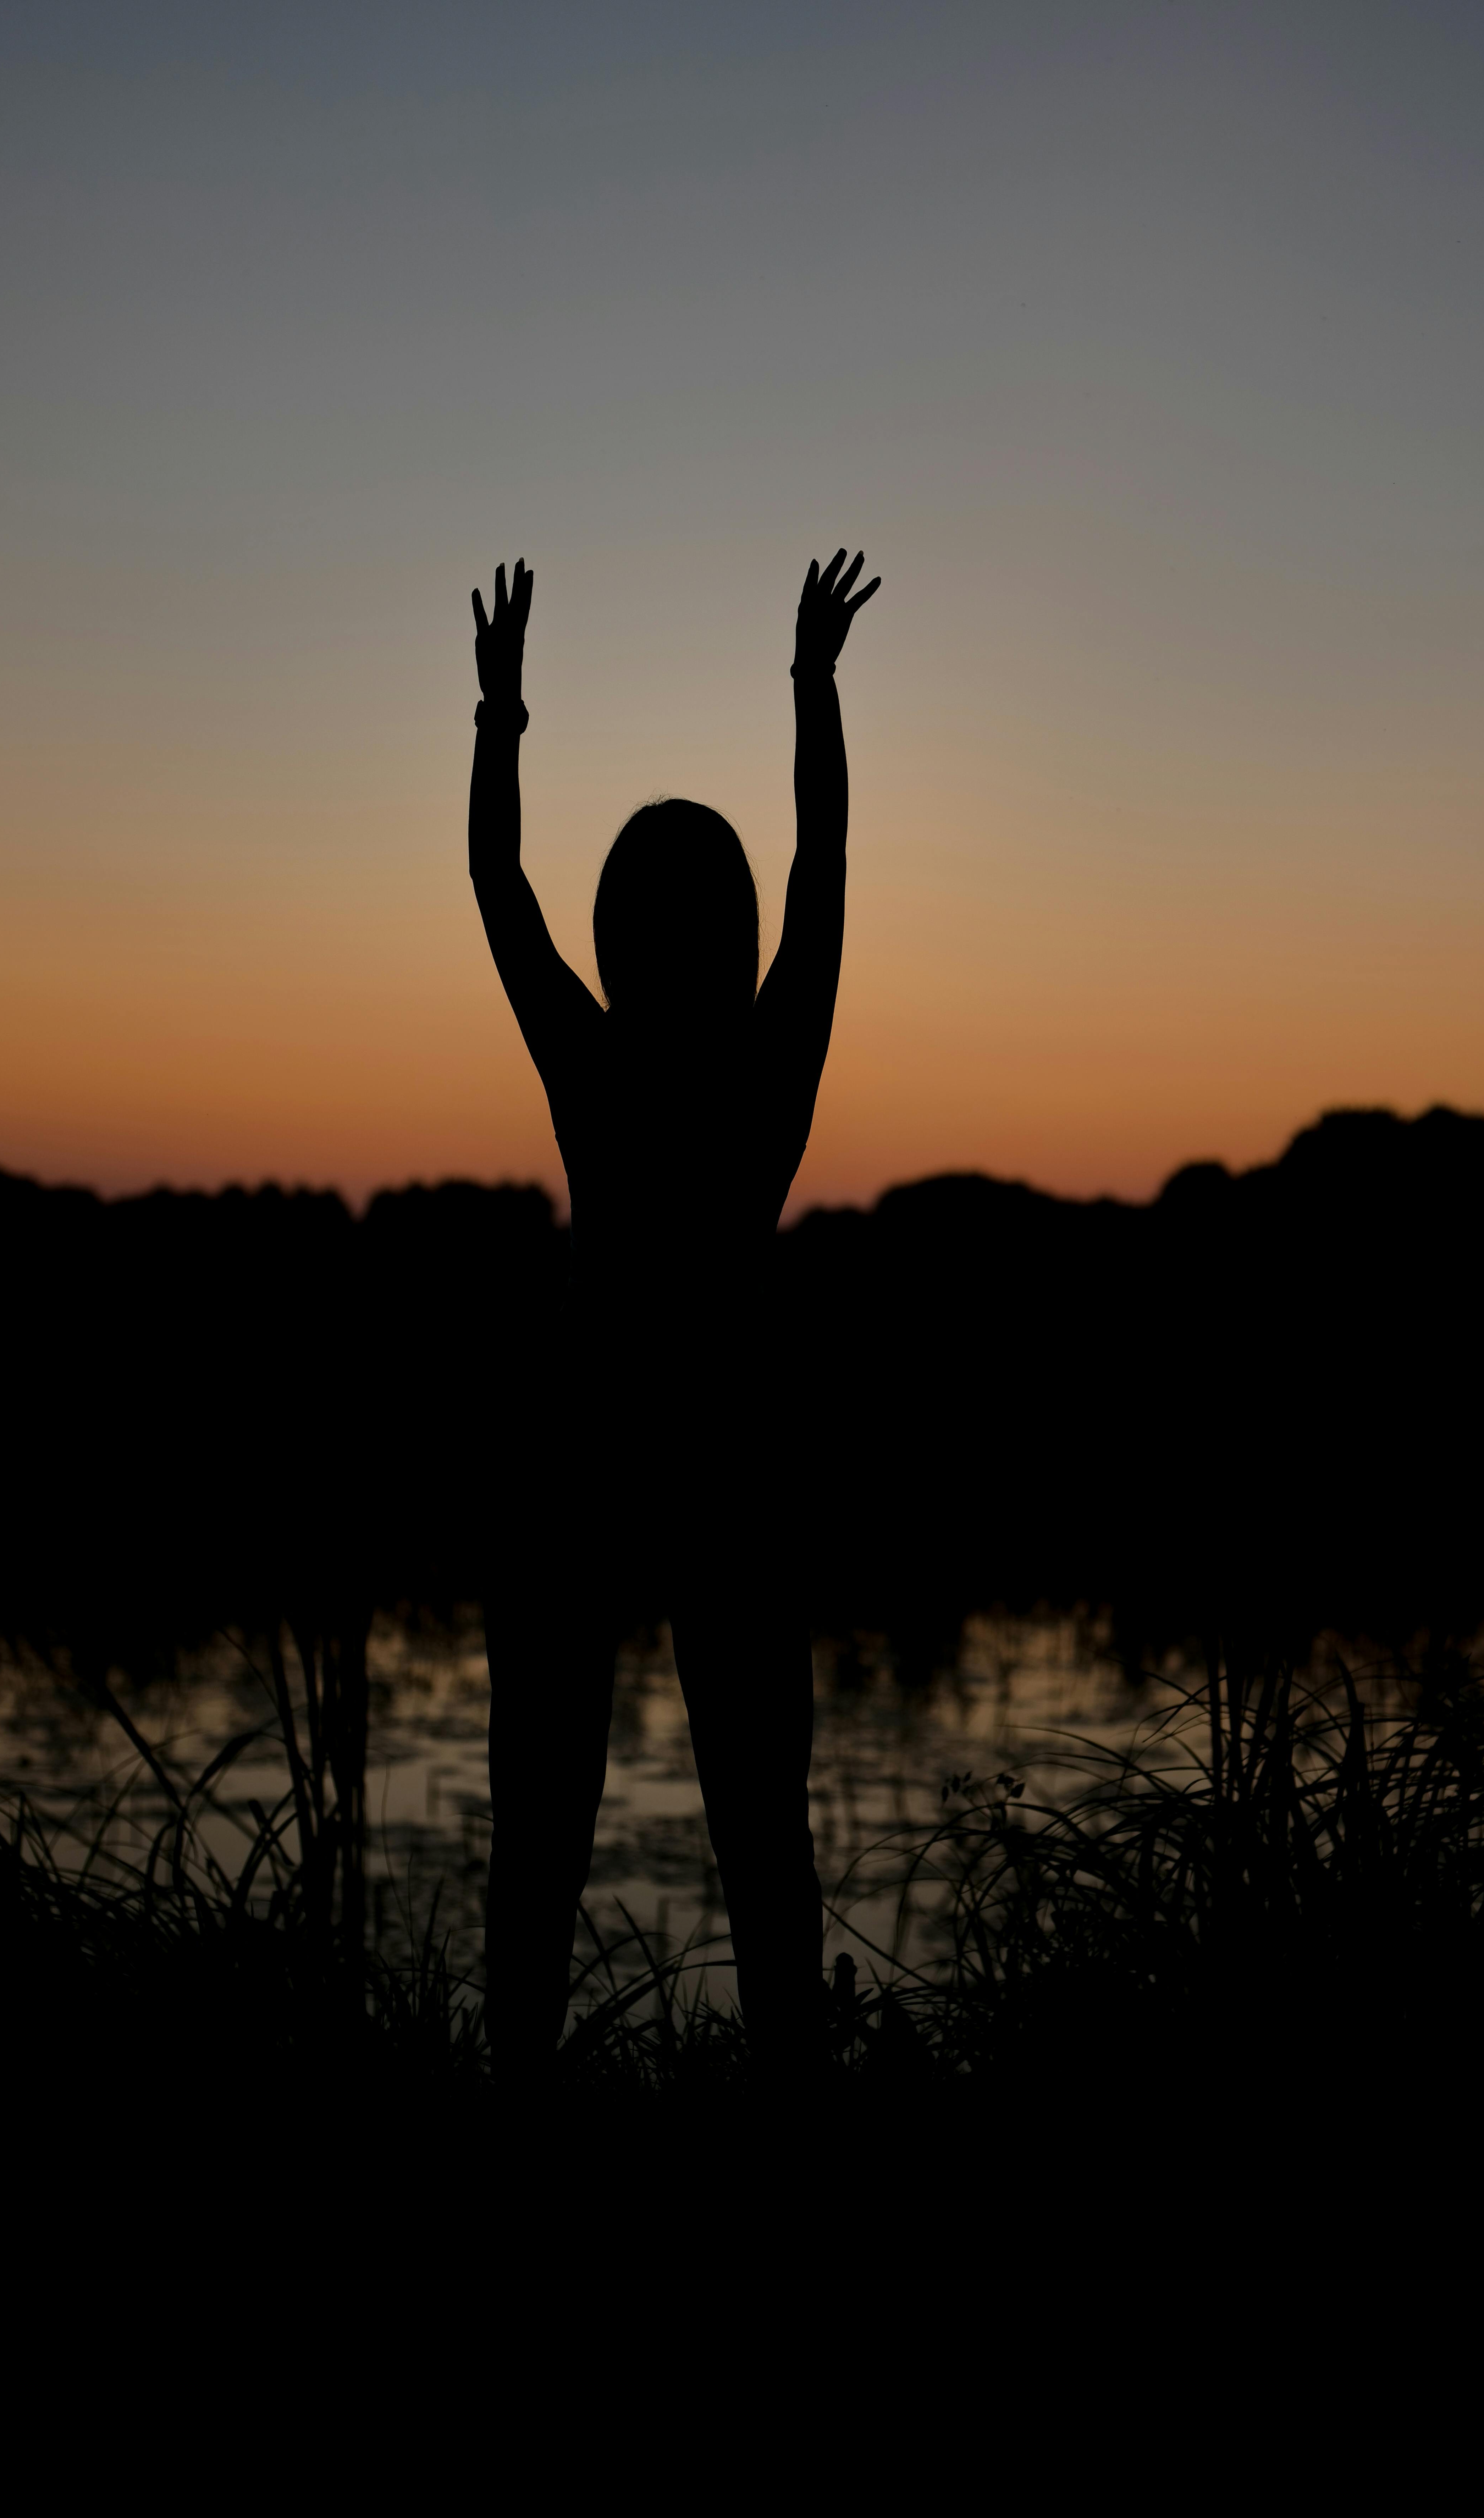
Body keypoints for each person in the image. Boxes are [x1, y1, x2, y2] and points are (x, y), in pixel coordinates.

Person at [467, 548, 879, 2072]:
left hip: (590, 1461)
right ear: (732, 930)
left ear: (624, 935)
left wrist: (499, 719)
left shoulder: (602, 1059)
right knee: (758, 1839)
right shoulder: (765, 1066)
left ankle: (522, 2070)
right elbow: (823, 865)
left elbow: (497, 886)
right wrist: (812, 687)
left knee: (544, 1834)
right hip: (714, 1468)